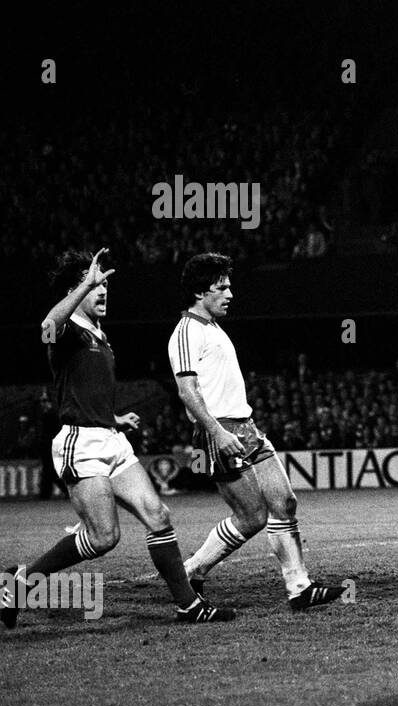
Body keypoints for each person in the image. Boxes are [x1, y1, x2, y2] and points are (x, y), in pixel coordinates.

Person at [2, 249, 233, 628]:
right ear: (76, 290)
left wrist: (114, 418)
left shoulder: (99, 335)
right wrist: (83, 288)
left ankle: (189, 606)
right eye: (95, 284)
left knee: (158, 515)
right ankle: (21, 583)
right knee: (104, 537)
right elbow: (46, 324)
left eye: (106, 283)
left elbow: (82, 391)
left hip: (110, 439)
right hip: (81, 444)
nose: (103, 290)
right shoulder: (65, 330)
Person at [168, 253, 344, 611]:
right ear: (201, 292)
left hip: (245, 427)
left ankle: (299, 587)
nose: (230, 293)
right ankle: (191, 571)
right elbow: (187, 391)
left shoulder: (213, 328)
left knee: (284, 502)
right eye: (222, 287)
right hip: (219, 432)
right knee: (252, 517)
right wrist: (217, 433)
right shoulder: (186, 332)